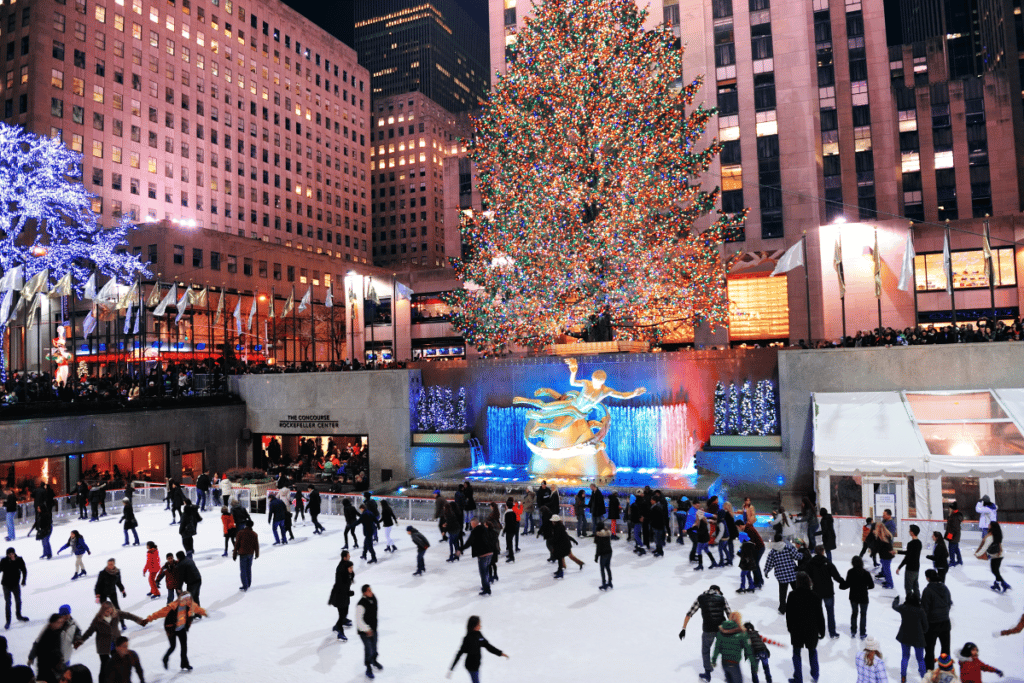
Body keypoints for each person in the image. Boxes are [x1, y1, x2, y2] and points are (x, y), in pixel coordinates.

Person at [75, 602, 145, 683]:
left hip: (116, 643)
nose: (109, 613)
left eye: (111, 611)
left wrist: (139, 620)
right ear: (102, 611)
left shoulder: (116, 614)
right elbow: (89, 631)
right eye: (107, 611)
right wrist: (81, 641)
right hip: (103, 646)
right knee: (104, 666)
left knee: (118, 665)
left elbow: (128, 615)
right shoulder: (97, 620)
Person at [679, 585, 731, 683]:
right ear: (717, 590)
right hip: (722, 628)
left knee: (706, 650)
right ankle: (728, 675)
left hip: (708, 629)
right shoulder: (722, 598)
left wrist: (683, 628)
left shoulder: (701, 598)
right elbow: (730, 615)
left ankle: (707, 674)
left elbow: (689, 613)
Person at [142, 592, 206, 672]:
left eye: (188, 598)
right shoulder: (172, 606)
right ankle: (165, 658)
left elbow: (197, 609)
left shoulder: (190, 605)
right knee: (173, 646)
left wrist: (205, 613)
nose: (188, 600)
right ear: (181, 599)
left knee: (184, 647)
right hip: (171, 628)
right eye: (186, 599)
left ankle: (184, 664)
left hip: (181, 628)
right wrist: (148, 619)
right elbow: (159, 613)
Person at [786, 571, 825, 683]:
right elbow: (820, 616)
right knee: (812, 651)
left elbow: (789, 614)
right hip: (812, 630)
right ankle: (815, 675)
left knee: (796, 653)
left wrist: (790, 628)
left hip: (797, 629)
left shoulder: (792, 595)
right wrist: (822, 631)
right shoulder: (815, 596)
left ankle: (798, 678)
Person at [448, 615, 508, 682]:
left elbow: (488, 646)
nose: (480, 626)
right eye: (479, 624)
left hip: (477, 665)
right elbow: (459, 654)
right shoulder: (467, 639)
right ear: (474, 626)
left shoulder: (479, 635)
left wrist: (500, 653)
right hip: (471, 666)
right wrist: (452, 668)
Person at [807, 546, 843, 639]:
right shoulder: (828, 563)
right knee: (830, 613)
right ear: (823, 552)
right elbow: (836, 576)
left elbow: (806, 577)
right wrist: (844, 582)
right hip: (828, 592)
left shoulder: (810, 563)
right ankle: (832, 632)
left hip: (815, 592)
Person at [921, 570, 953, 671]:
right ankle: (945, 670)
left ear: (928, 578)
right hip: (945, 623)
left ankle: (930, 672)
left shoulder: (927, 590)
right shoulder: (945, 588)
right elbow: (949, 603)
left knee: (930, 650)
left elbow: (924, 609)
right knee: (945, 648)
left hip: (932, 624)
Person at [893, 593, 929, 682]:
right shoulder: (920, 611)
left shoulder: (903, 608)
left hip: (904, 636)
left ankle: (903, 677)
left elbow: (894, 606)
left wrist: (896, 599)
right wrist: (922, 631)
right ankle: (923, 677)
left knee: (905, 656)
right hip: (918, 638)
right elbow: (926, 627)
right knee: (920, 659)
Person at [710, 611, 754, 683]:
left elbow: (717, 647)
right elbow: (749, 650)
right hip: (734, 664)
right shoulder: (742, 633)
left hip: (724, 663)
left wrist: (713, 660)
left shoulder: (721, 632)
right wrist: (754, 665)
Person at [763, 535, 799, 614]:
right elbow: (796, 557)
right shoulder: (788, 547)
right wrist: (803, 554)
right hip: (792, 573)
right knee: (797, 591)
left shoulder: (772, 552)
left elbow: (769, 563)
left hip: (781, 575)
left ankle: (782, 608)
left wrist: (766, 571)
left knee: (782, 593)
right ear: (781, 539)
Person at [27, 614, 67, 683]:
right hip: (45, 664)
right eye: (58, 622)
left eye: (61, 622)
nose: (60, 624)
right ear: (52, 623)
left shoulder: (59, 630)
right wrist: (31, 657)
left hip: (56, 663)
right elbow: (37, 644)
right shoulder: (46, 633)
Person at [458, 518, 492, 595]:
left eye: (471, 524)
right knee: (486, 571)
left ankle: (487, 589)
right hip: (490, 553)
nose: (471, 525)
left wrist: (460, 549)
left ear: (474, 524)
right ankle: (486, 586)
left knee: (483, 573)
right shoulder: (485, 528)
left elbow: (468, 543)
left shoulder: (475, 531)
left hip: (483, 554)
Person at [355, 585, 382, 679]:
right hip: (364, 632)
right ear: (364, 593)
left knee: (374, 648)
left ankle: (374, 661)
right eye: (369, 591)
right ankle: (368, 667)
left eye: (371, 590)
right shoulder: (360, 604)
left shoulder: (373, 598)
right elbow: (358, 621)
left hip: (373, 629)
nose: (371, 592)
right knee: (368, 649)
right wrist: (367, 629)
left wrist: (373, 628)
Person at [975, 521, 1009, 592]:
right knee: (995, 571)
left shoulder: (990, 536)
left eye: (989, 525)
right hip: (999, 555)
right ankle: (996, 584)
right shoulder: (997, 534)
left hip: (996, 556)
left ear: (992, 527)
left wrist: (978, 554)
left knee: (995, 571)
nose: (988, 525)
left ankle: (1004, 584)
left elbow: (985, 547)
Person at [328, 550, 355, 640]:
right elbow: (340, 586)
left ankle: (339, 624)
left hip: (344, 595)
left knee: (345, 612)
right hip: (339, 596)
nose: (350, 556)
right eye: (348, 556)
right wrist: (348, 592)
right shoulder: (341, 570)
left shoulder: (347, 569)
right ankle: (340, 632)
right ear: (344, 557)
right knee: (342, 614)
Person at [93, 559, 128, 628]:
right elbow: (98, 584)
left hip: (112, 592)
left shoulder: (117, 572)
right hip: (103, 593)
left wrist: (122, 590)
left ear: (114, 564)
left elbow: (118, 582)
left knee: (117, 608)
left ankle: (122, 624)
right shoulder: (102, 573)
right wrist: (97, 595)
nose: (109, 566)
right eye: (108, 564)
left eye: (111, 564)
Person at [0, 547, 29, 629]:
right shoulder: (4, 560)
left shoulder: (19, 559)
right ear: (7, 555)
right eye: (9, 554)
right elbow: (0, 569)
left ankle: (19, 615)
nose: (11, 555)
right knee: (8, 602)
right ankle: (8, 620)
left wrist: (23, 580)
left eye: (12, 553)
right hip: (6, 584)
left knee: (18, 600)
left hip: (15, 584)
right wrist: (9, 562)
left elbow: (24, 570)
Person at [896, 524, 922, 600]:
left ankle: (909, 602)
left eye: (910, 530)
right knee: (915, 585)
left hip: (910, 568)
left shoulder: (911, 544)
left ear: (912, 532)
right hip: (916, 567)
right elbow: (909, 553)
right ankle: (918, 600)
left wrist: (899, 567)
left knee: (908, 587)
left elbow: (907, 557)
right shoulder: (919, 543)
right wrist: (897, 551)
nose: (909, 531)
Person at [232, 520, 259, 591]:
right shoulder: (254, 534)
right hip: (250, 553)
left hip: (243, 553)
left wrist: (234, 554)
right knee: (248, 569)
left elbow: (237, 544)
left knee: (243, 570)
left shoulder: (240, 533)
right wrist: (257, 553)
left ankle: (245, 585)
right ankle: (248, 583)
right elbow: (256, 545)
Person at [875, 522, 895, 589]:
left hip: (886, 556)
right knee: (886, 570)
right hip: (885, 556)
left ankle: (890, 584)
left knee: (887, 571)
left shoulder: (882, 537)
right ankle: (888, 581)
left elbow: (879, 547)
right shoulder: (885, 535)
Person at [594, 521, 613, 590]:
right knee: (608, 567)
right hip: (609, 552)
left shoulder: (599, 535)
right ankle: (610, 582)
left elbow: (598, 548)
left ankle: (604, 583)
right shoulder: (607, 533)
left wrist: (596, 557)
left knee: (602, 569)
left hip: (604, 553)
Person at [945, 502, 964, 568]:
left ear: (952, 508)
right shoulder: (954, 515)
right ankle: (959, 560)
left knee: (951, 549)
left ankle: (952, 561)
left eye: (950, 508)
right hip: (955, 535)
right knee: (956, 549)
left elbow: (954, 528)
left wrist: (950, 537)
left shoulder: (955, 516)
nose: (948, 509)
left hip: (953, 535)